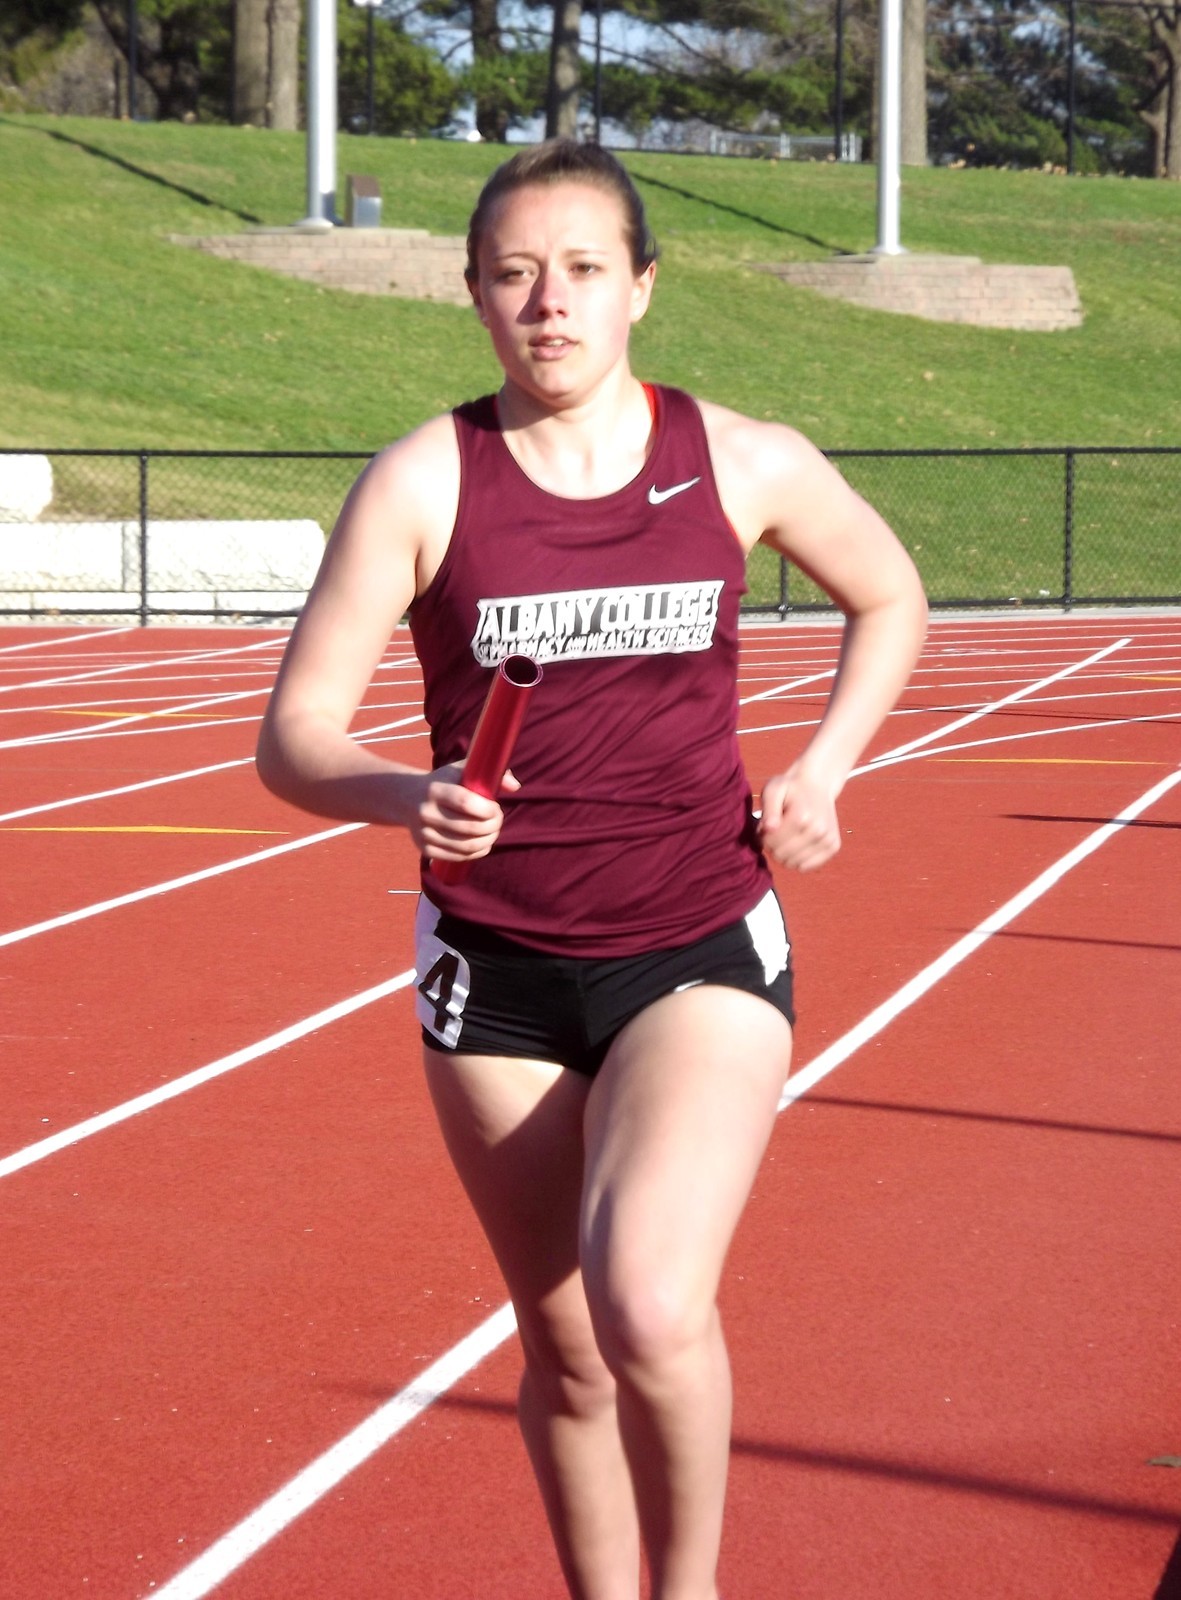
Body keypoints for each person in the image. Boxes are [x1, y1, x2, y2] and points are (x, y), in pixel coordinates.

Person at [256, 138, 927, 1600]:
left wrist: (825, 765)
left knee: (646, 1303)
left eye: (577, 270)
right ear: (474, 299)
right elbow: (291, 740)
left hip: (693, 943)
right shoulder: (426, 480)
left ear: (640, 288)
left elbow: (888, 594)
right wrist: (404, 793)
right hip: (491, 975)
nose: (545, 303)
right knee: (559, 1338)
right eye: (511, 275)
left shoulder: (739, 460)